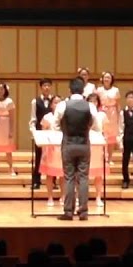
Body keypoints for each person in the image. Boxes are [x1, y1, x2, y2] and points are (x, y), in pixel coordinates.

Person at [58, 77, 93, 221]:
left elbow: (55, 122)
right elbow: (94, 123)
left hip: (69, 143)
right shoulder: (89, 106)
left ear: (70, 89)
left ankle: (68, 211)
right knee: (84, 178)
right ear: (83, 89)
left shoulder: (63, 105)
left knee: (69, 177)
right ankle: (83, 211)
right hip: (84, 143)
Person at [29, 79, 54, 189]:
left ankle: (53, 182)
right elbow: (33, 118)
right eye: (44, 85)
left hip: (52, 133)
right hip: (40, 133)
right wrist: (33, 132)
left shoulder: (54, 101)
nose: (47, 88)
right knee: (39, 157)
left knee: (52, 158)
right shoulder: (35, 101)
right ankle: (36, 181)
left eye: (48, 85)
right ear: (41, 87)